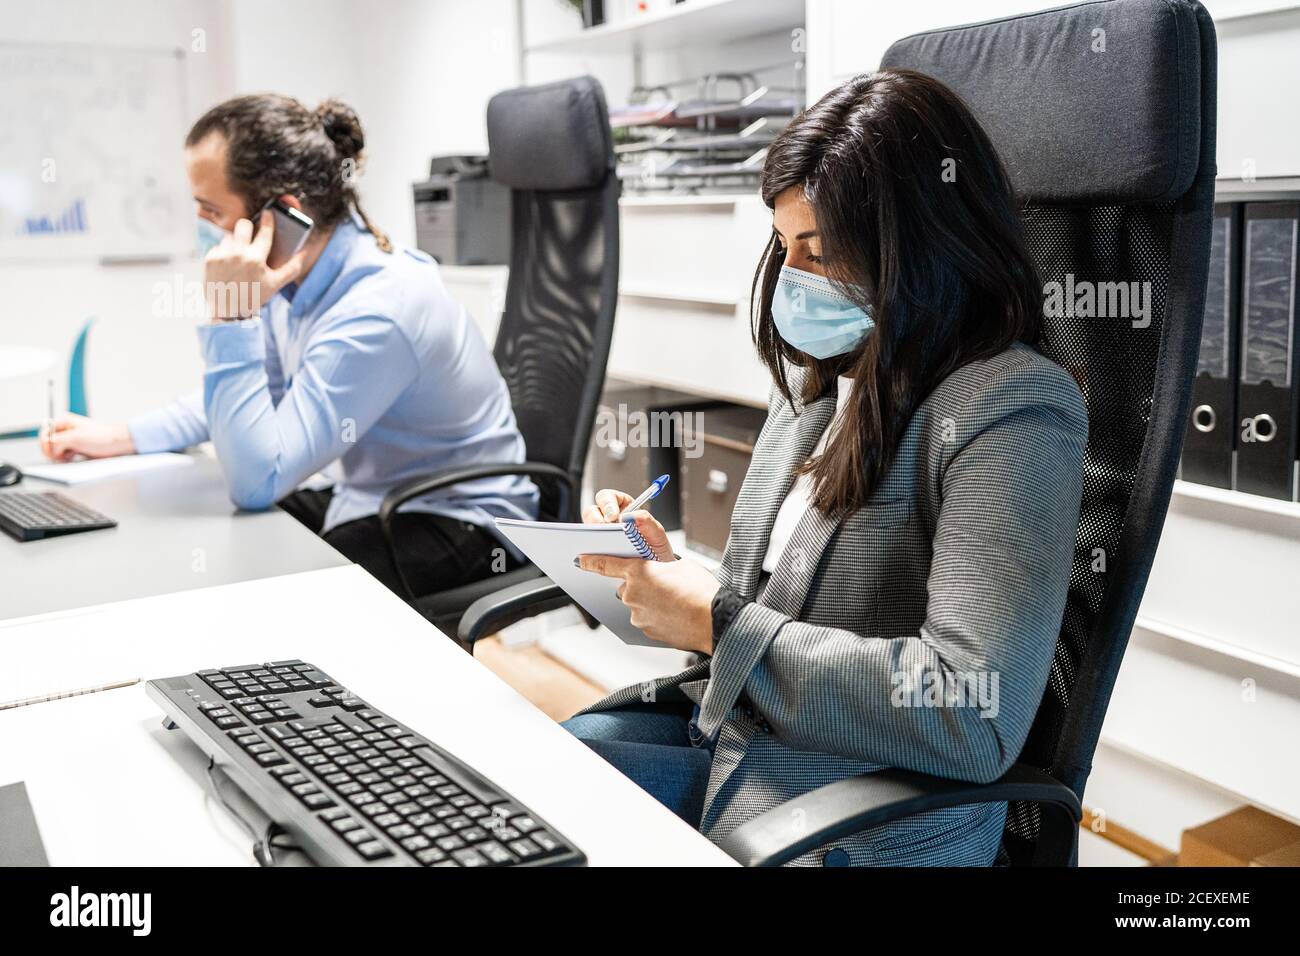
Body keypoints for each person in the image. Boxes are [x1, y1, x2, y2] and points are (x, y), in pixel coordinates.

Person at [562, 69, 1089, 866]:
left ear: (918, 245)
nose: (793, 281)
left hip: (853, 811)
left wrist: (719, 621)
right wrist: (664, 573)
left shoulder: (1011, 409)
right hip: (737, 743)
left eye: (820, 249)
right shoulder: (826, 377)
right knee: (532, 789)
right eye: (783, 247)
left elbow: (967, 710)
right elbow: (787, 600)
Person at [39, 94, 537, 601]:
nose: (203, 229)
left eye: (211, 211)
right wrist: (122, 436)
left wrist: (232, 312)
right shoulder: (295, 277)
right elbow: (257, 391)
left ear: (284, 212)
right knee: (226, 546)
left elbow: (259, 481)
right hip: (371, 496)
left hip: (460, 517)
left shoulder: (378, 309)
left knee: (293, 591)